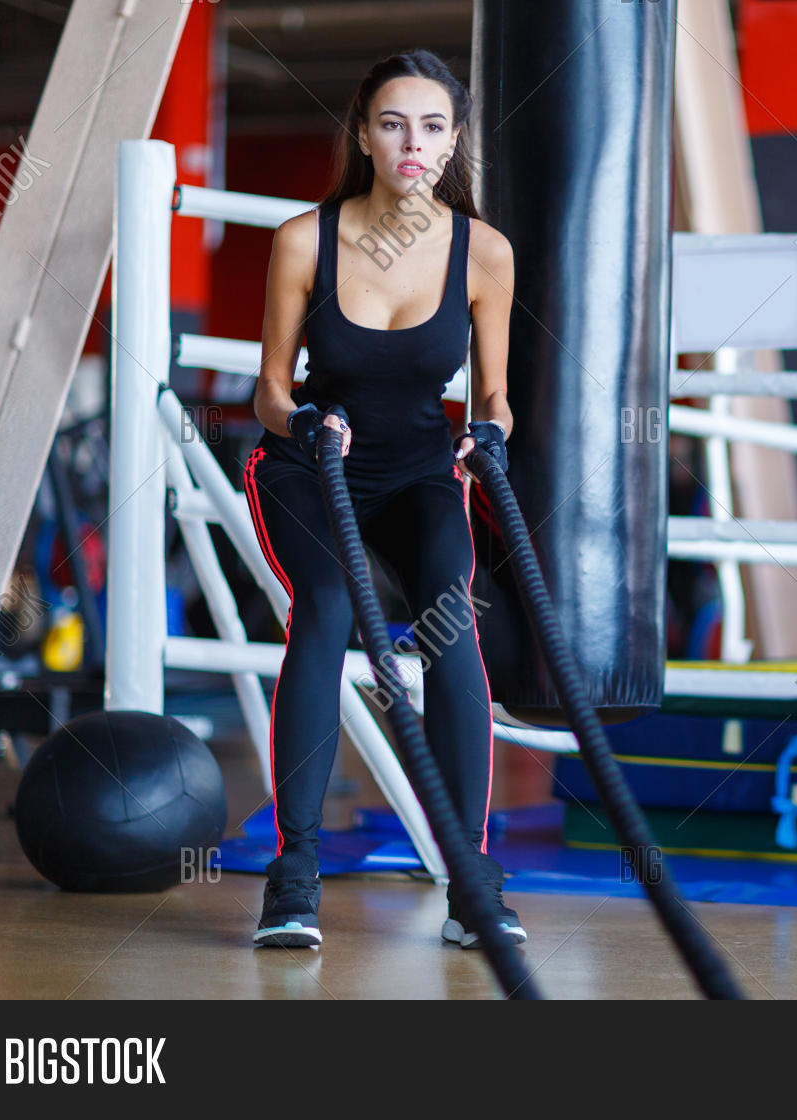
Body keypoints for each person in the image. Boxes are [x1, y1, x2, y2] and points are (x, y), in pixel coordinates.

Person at [242, 48, 523, 950]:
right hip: (308, 464)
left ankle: (471, 883)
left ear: (452, 143)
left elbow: (494, 396)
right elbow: (268, 393)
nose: (413, 141)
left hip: (416, 472)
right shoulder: (303, 239)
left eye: (434, 125)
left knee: (452, 620)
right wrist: (305, 418)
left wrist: (494, 433)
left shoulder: (484, 253)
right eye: (394, 122)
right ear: (363, 134)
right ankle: (294, 882)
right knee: (323, 609)